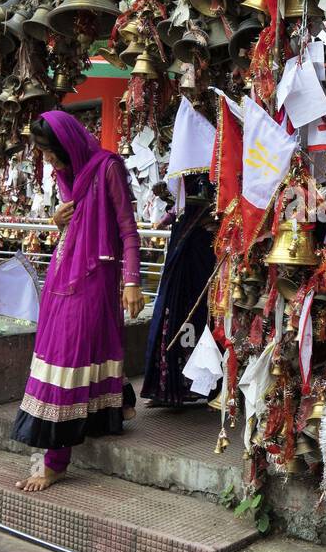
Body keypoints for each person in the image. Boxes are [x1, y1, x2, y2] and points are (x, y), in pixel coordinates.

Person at [13, 111, 144, 492]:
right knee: (79, 351)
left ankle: (56, 461)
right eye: (45, 156)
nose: (50, 163)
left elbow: (129, 231)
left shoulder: (107, 169)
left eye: (53, 154)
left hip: (94, 279)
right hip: (61, 275)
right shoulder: (66, 175)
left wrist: (133, 281)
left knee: (68, 358)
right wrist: (57, 220)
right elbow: (76, 223)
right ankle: (114, 410)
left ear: (69, 144)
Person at [141, 174, 217, 407]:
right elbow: (180, 204)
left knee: (202, 313)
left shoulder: (215, 163)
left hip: (203, 246)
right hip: (182, 245)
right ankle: (168, 386)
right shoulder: (185, 170)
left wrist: (217, 218)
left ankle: (198, 385)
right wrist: (169, 213)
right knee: (172, 309)